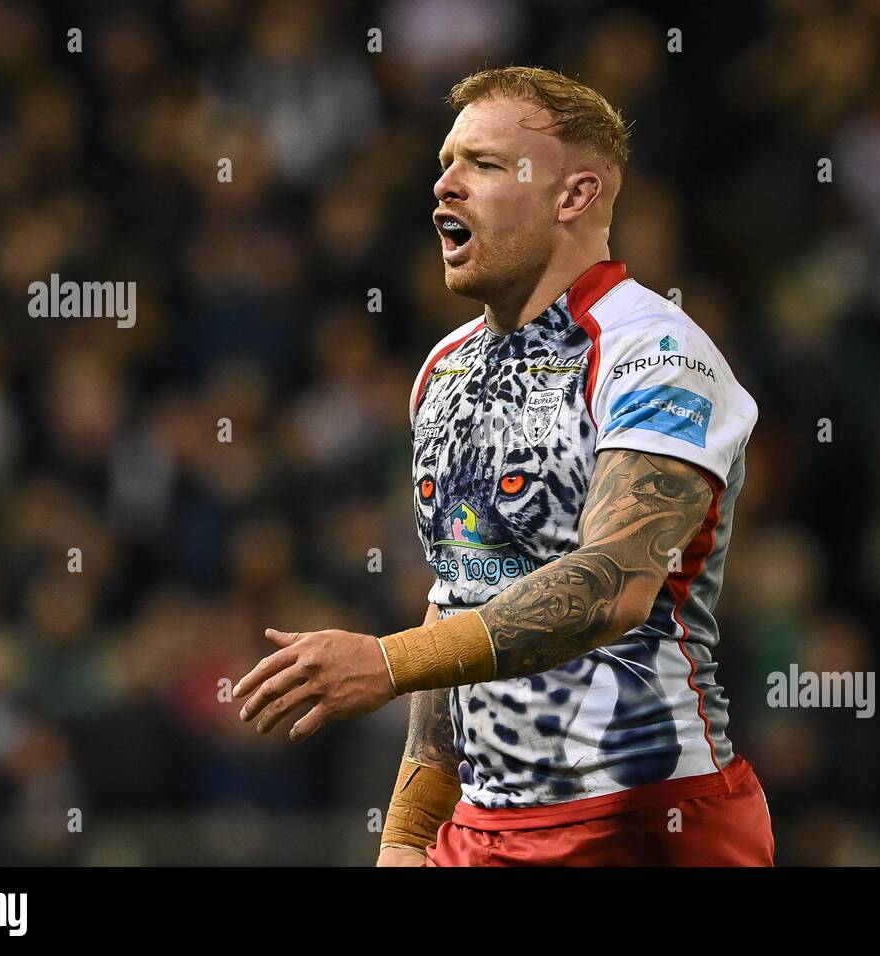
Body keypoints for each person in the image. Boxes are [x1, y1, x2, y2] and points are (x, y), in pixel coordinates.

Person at [234, 66, 772, 866]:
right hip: (481, 832)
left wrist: (385, 663)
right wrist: (411, 833)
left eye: (483, 165)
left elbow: (611, 587)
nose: (444, 186)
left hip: (643, 819)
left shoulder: (657, 354)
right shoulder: (444, 369)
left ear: (574, 196)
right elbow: (459, 595)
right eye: (447, 162)